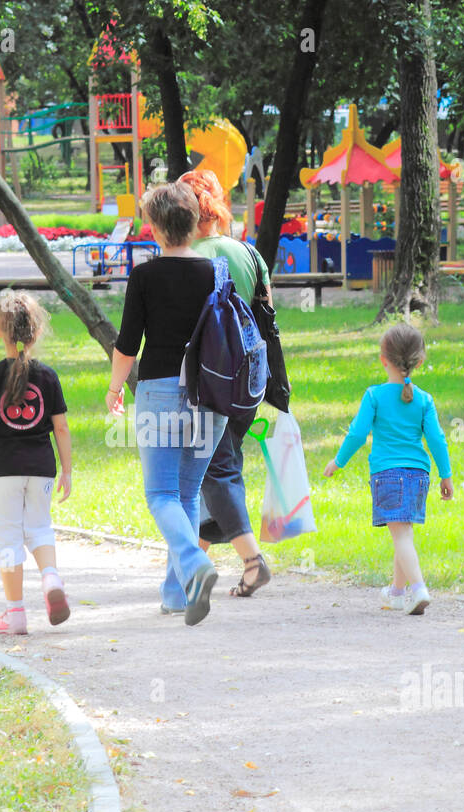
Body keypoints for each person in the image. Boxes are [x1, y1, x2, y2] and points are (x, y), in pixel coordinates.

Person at [106, 181, 228, 626]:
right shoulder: (217, 272)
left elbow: (127, 345)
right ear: (195, 223)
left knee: (161, 494)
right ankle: (178, 595)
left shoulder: (145, 276)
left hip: (160, 393)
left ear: (155, 229)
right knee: (187, 493)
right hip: (211, 394)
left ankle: (195, 565)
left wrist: (115, 388)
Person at [179, 168, 275, 597]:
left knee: (215, 470)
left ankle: (253, 563)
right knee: (221, 465)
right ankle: (192, 564)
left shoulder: (185, 257)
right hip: (249, 380)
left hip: (209, 382)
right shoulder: (250, 255)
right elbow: (267, 317)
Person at [322, 322, 454, 615]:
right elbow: (436, 439)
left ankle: (418, 589)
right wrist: (446, 475)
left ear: (383, 359)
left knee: (401, 536)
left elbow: (357, 434)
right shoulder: (424, 400)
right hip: (419, 476)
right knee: (404, 534)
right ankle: (396, 592)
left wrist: (338, 462)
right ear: (419, 362)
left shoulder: (374, 396)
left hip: (388, 476)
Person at [0, 291, 72, 636]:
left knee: (7, 536)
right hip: (42, 469)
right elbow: (61, 427)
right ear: (36, 331)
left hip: (4, 471)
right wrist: (67, 470)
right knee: (40, 528)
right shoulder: (48, 377)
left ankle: (15, 614)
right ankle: (51, 578)